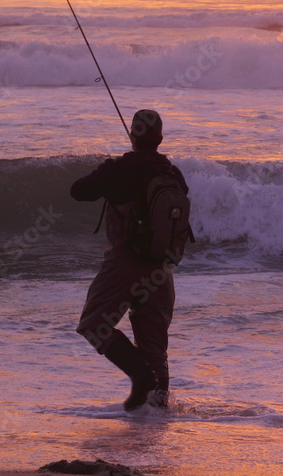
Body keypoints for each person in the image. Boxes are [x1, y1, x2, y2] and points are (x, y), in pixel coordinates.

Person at [71, 109, 188, 411]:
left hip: (124, 263)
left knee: (95, 324)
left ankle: (139, 375)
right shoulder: (173, 174)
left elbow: (78, 191)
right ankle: (158, 412)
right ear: (160, 139)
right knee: (154, 345)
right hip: (162, 267)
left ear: (133, 136)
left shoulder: (119, 170)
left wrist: (110, 173)